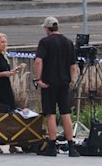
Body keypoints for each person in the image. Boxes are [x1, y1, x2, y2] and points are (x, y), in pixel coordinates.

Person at [33, 16, 79, 157]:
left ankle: (52, 146)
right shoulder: (68, 42)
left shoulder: (45, 42)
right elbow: (73, 66)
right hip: (64, 82)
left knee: (50, 113)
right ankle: (71, 146)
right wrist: (71, 80)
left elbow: (38, 61)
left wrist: (38, 79)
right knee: (65, 113)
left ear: (47, 28)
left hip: (49, 82)